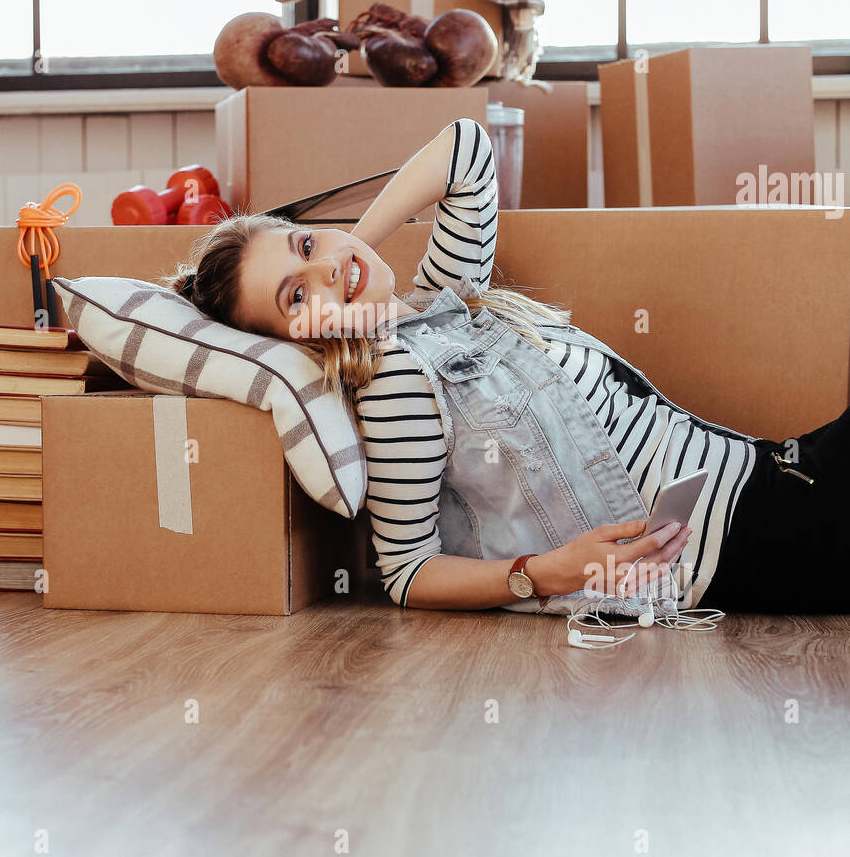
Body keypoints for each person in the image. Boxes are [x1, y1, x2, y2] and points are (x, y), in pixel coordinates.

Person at [167, 119, 849, 614]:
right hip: (750, 538)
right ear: (298, 339)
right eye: (295, 297)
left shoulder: (441, 301)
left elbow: (464, 148)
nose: (321, 271)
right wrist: (548, 572)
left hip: (780, 469)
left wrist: (343, 251)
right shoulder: (393, 379)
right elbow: (406, 571)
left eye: (303, 244)